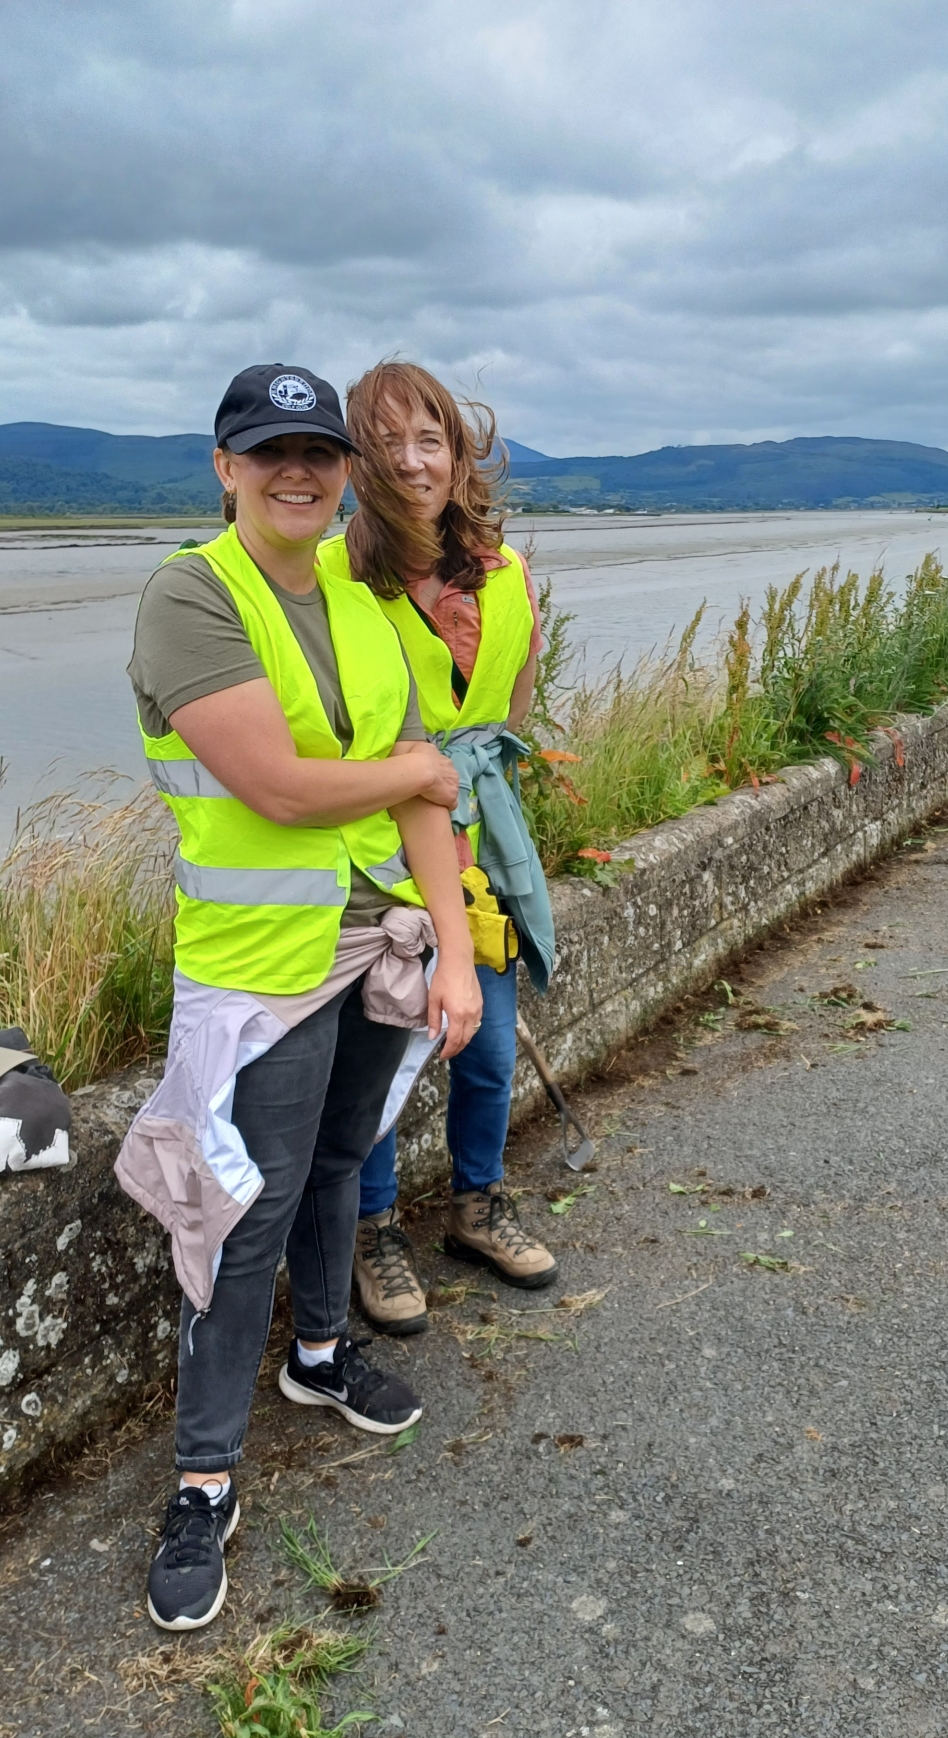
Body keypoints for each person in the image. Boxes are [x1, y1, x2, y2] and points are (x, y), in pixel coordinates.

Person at [121, 363, 481, 1631]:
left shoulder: (359, 604)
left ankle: (321, 1356)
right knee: (242, 1215)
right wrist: (416, 771)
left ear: (343, 475)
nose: (297, 473)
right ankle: (203, 1480)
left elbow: (420, 793)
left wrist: (457, 953)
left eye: (318, 454)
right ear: (225, 467)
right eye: (269, 452)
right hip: (256, 964)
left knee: (340, 1159)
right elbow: (275, 786)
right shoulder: (191, 595)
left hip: (370, 940)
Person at [321, 361, 559, 1335]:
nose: (412, 462)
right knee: (380, 1056)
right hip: (374, 857)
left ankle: (477, 1204)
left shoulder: (507, 576)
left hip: (477, 847)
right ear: (357, 463)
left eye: (431, 440)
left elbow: (512, 710)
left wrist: (478, 798)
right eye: (386, 444)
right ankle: (372, 1229)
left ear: (462, 457)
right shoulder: (332, 575)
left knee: (488, 1046)